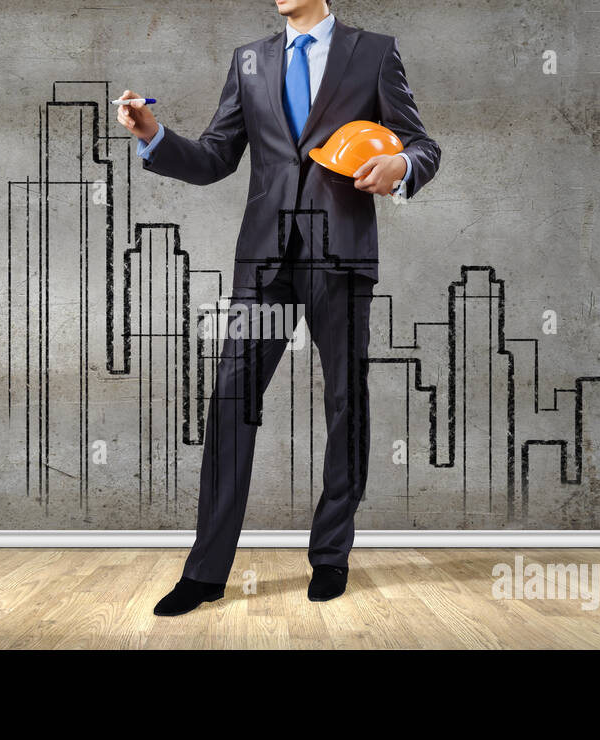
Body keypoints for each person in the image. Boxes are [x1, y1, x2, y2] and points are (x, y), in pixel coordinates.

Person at [116, 0, 440, 616]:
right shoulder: (250, 61)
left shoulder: (373, 51)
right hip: (263, 261)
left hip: (339, 256)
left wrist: (400, 164)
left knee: (347, 401)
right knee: (233, 399)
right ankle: (207, 571)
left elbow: (423, 145)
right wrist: (154, 137)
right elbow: (216, 156)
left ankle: (330, 557)